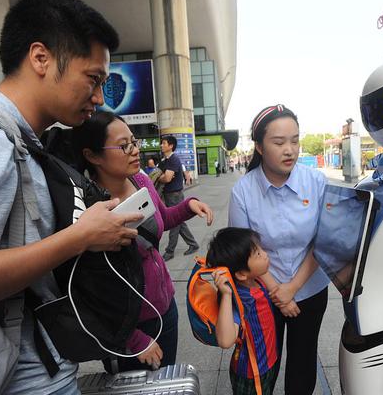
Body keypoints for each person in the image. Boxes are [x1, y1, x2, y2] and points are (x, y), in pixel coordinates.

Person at [0, 0, 143, 393]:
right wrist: (80, 237)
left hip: (33, 366)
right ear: (41, 58)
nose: (100, 97)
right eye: (93, 78)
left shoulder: (18, 141)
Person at [72, 111, 213, 372]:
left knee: (165, 380)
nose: (135, 150)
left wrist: (189, 205)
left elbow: (162, 218)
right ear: (92, 156)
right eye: (124, 146)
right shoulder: (88, 208)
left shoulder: (140, 180)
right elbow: (91, 288)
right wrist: (132, 339)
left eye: (134, 142)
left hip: (165, 307)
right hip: (128, 327)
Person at [228, 104, 329, 395]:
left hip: (310, 290)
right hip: (262, 294)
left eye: (295, 140)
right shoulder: (243, 191)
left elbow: (324, 241)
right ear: (259, 146)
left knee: (303, 362)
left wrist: (293, 287)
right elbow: (244, 250)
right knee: (264, 364)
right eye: (279, 142)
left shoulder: (316, 182)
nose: (290, 150)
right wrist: (278, 294)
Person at [207, 227, 279, 395]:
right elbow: (225, 341)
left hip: (267, 363)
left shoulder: (256, 281)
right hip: (251, 373)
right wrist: (225, 294)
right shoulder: (239, 299)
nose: (265, 254)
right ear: (240, 274)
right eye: (258, 254)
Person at [158, 135, 200, 261]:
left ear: (171, 146)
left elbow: (166, 178)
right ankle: (193, 244)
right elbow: (157, 174)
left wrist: (160, 177)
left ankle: (169, 251)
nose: (161, 145)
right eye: (161, 143)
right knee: (179, 221)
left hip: (175, 195)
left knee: (174, 222)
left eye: (164, 143)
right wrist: (161, 176)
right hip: (168, 195)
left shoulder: (174, 160)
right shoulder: (164, 161)